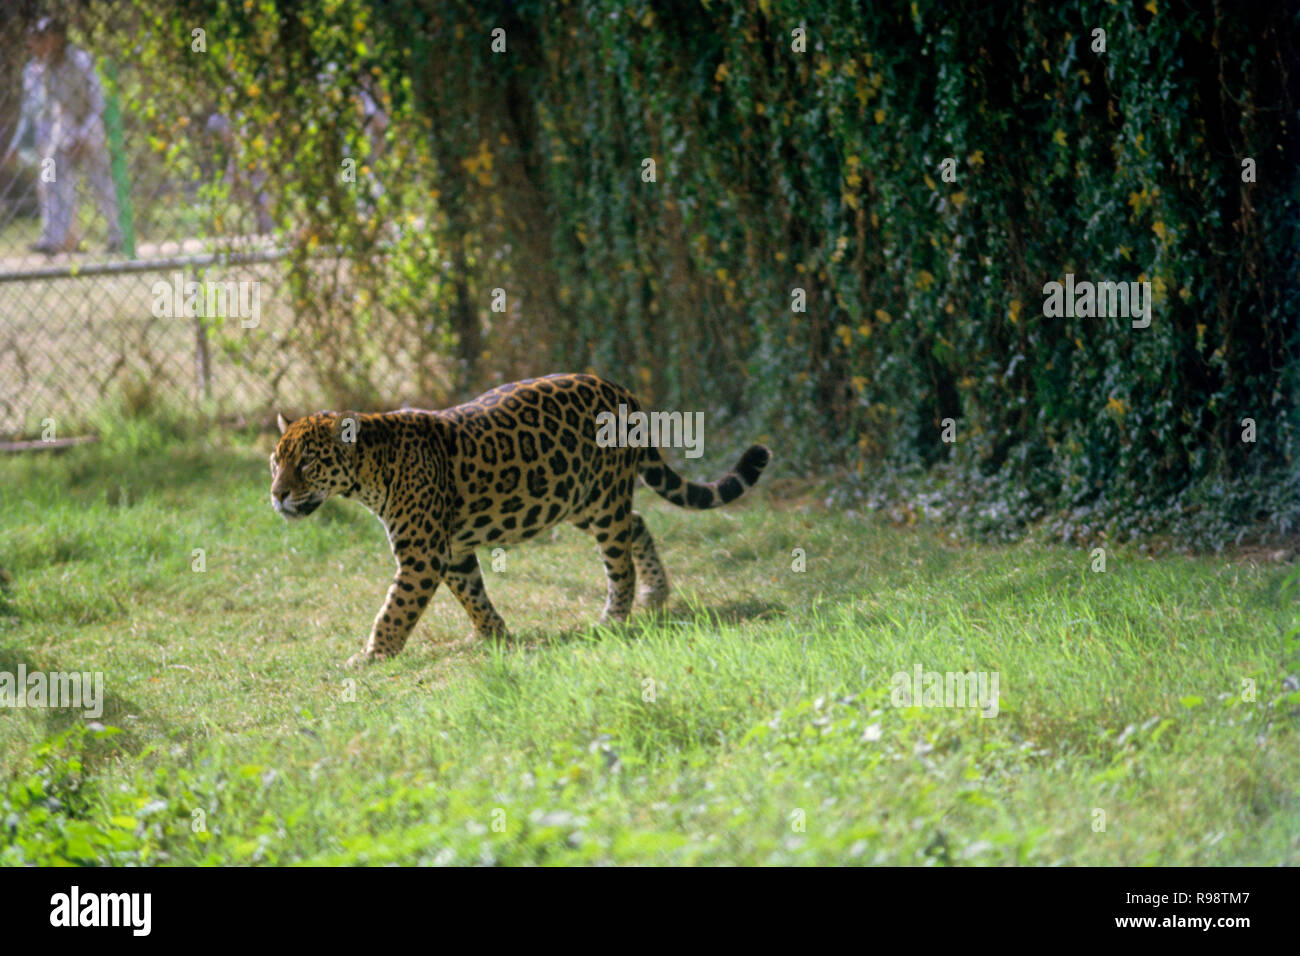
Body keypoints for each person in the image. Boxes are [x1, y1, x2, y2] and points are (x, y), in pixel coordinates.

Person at [27, 18, 122, 255]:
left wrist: (83, 136)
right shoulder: (46, 68)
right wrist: (62, 138)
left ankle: (117, 236)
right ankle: (53, 239)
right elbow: (53, 107)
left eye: (48, 36)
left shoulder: (80, 60)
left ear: (59, 37)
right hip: (66, 127)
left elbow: (98, 103)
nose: (45, 43)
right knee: (50, 176)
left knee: (101, 183)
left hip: (90, 124)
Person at [2, 26, 54, 253]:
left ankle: (59, 236)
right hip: (43, 138)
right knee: (47, 184)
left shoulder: (55, 66)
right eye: (30, 41)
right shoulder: (29, 72)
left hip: (59, 134)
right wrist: (15, 144)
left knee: (53, 184)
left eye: (35, 40)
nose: (31, 46)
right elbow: (27, 111)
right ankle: (52, 236)